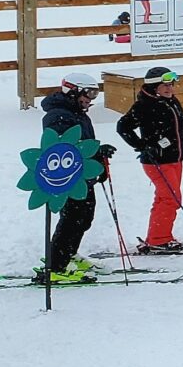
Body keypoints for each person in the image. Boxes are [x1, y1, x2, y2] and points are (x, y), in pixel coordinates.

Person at [35, 71, 117, 285]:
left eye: (94, 95)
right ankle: (56, 265)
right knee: (73, 218)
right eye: (88, 94)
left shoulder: (76, 112)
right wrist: (95, 152)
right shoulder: (59, 115)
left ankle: (69, 254)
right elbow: (67, 149)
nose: (91, 100)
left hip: (81, 178)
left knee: (84, 216)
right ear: (73, 91)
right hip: (67, 179)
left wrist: (97, 153)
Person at [115, 66, 183, 253]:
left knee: (164, 198)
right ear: (153, 87)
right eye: (164, 85)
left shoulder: (172, 101)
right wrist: (142, 146)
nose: (169, 88)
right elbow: (123, 126)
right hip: (157, 161)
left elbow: (182, 123)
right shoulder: (144, 105)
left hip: (175, 158)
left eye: (170, 84)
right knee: (171, 198)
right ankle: (159, 239)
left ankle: (157, 236)